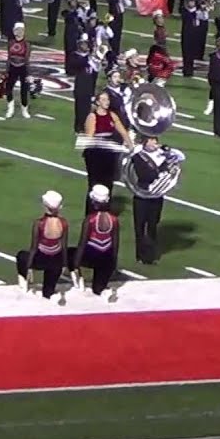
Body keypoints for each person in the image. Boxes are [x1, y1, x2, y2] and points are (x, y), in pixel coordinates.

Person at [128, 135, 184, 264]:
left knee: (153, 225)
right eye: (151, 140)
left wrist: (168, 152)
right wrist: (162, 168)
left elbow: (181, 157)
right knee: (140, 227)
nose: (155, 142)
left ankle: (151, 256)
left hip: (157, 195)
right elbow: (145, 175)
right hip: (142, 195)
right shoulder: (139, 156)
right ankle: (140, 256)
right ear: (145, 142)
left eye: (155, 140)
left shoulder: (162, 154)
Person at [80, 90, 132, 214]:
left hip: (109, 154)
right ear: (97, 102)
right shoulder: (92, 117)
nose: (106, 102)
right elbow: (89, 138)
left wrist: (130, 145)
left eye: (107, 99)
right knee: (94, 184)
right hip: (95, 155)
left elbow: (122, 131)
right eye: (103, 99)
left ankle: (105, 212)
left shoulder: (112, 115)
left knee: (108, 183)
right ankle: (90, 214)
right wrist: (105, 144)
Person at [16, 191, 69, 300]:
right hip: (55, 263)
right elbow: (63, 246)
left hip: (40, 260)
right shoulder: (64, 223)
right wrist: (64, 264)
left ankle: (24, 282)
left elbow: (34, 247)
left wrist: (29, 267)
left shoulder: (39, 223)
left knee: (21, 256)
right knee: (48, 293)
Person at [71, 184, 119, 300]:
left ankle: (79, 281)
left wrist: (75, 264)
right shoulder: (114, 220)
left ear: (94, 202)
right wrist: (113, 264)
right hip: (107, 259)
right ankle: (104, 291)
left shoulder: (90, 220)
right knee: (97, 289)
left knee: (69, 253)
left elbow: (82, 243)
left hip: (90, 257)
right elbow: (115, 244)